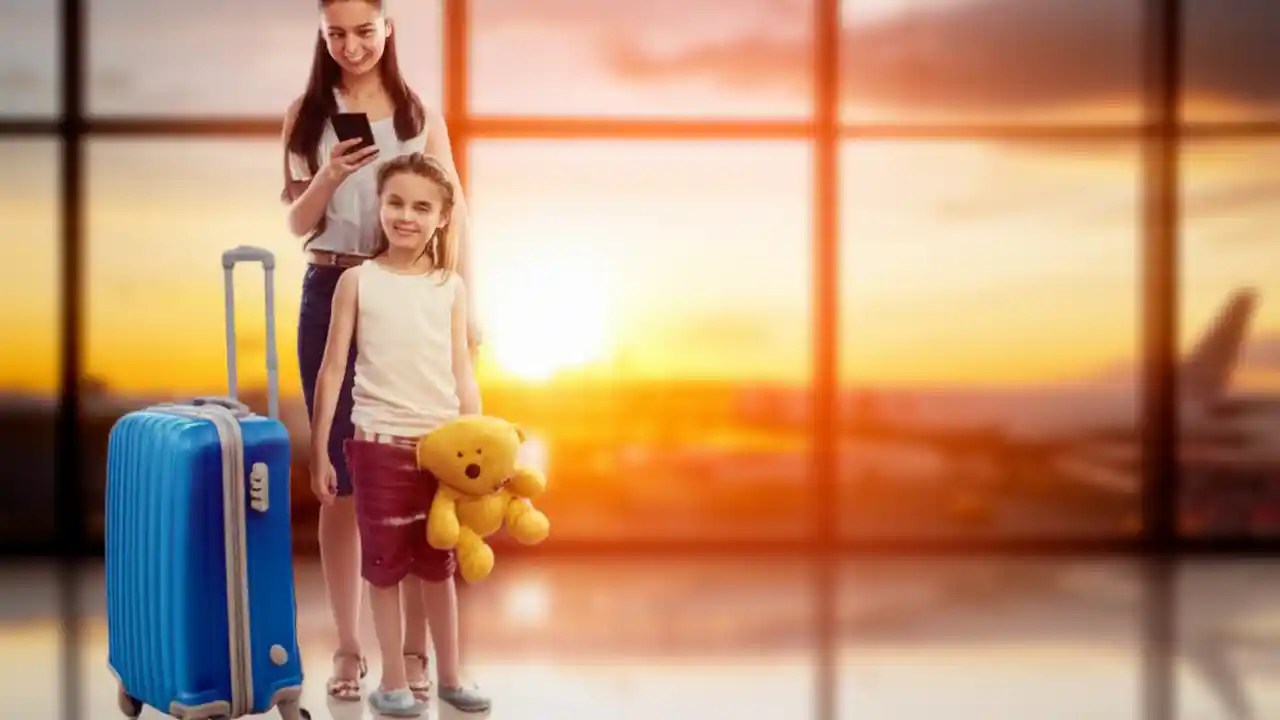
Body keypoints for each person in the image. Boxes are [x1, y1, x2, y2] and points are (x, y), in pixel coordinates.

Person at [279, 0, 481, 705]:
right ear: (323, 35)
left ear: (387, 29)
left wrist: (466, 303)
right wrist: (330, 177)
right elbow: (297, 220)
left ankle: (415, 654)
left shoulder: (418, 112)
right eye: (337, 33)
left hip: (412, 291)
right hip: (333, 280)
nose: (352, 45)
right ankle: (347, 647)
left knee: (418, 467)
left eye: (365, 30)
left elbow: (453, 210)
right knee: (343, 474)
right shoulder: (306, 114)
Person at [310, 152, 490, 716]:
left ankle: (452, 676)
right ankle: (390, 678)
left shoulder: (451, 287)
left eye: (421, 206)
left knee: (440, 564)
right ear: (379, 207)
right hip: (376, 445)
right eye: (395, 203)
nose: (405, 216)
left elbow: (463, 372)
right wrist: (319, 450)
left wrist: (481, 448)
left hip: (439, 449)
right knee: (385, 567)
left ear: (441, 218)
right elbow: (332, 368)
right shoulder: (356, 282)